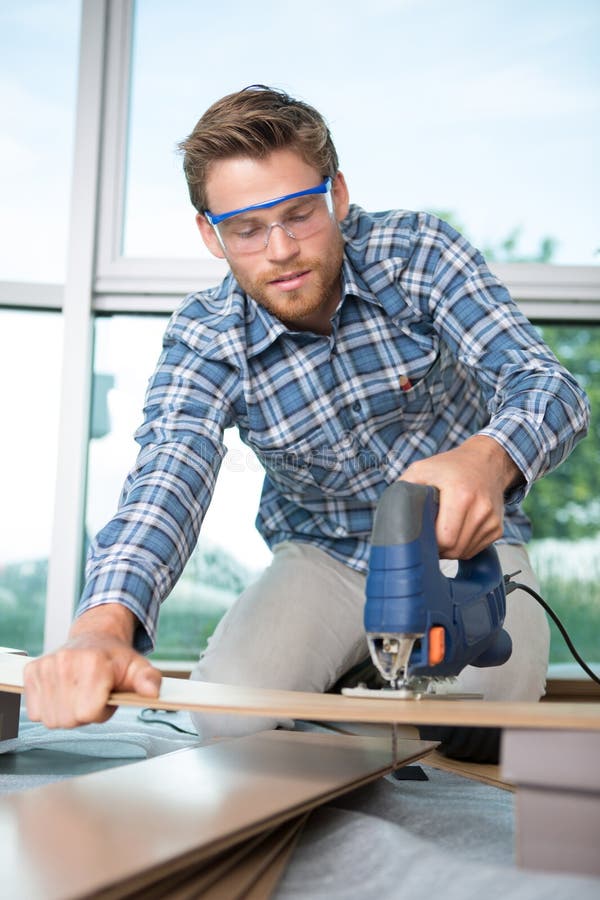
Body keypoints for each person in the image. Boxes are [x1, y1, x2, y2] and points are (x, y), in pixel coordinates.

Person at [25, 86, 589, 753]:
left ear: (338, 196)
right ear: (211, 234)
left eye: (300, 214)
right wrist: (102, 626)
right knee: (227, 718)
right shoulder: (206, 338)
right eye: (246, 229)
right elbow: (164, 482)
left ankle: (385, 698)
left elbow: (548, 384)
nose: (281, 249)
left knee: (489, 725)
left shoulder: (421, 253)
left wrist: (488, 459)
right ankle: (351, 689)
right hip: (323, 555)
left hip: (461, 554)